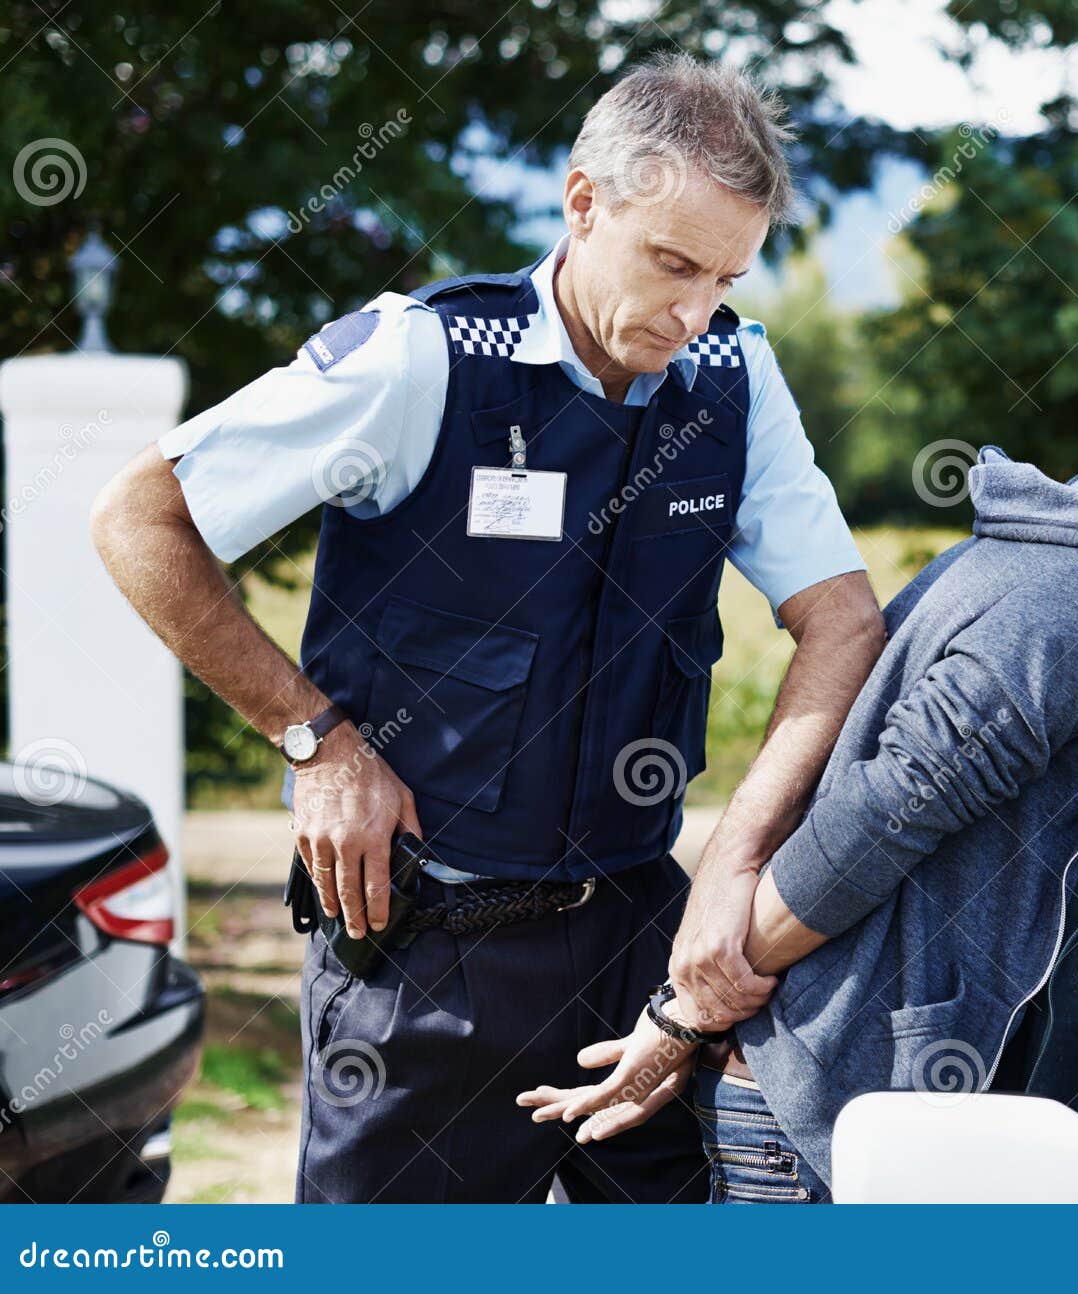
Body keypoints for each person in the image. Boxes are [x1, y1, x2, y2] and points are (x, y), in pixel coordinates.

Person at [90, 53, 886, 1203]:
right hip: (425, 961)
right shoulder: (420, 359)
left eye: (724, 276)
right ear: (582, 204)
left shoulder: (735, 379)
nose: (692, 311)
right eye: (671, 263)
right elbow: (139, 521)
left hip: (638, 952)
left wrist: (732, 868)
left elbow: (843, 623)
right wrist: (317, 741)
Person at [519, 353, 1078, 1202]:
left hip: (805, 1080)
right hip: (837, 1106)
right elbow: (890, 804)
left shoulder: (1041, 548)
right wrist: (687, 1009)